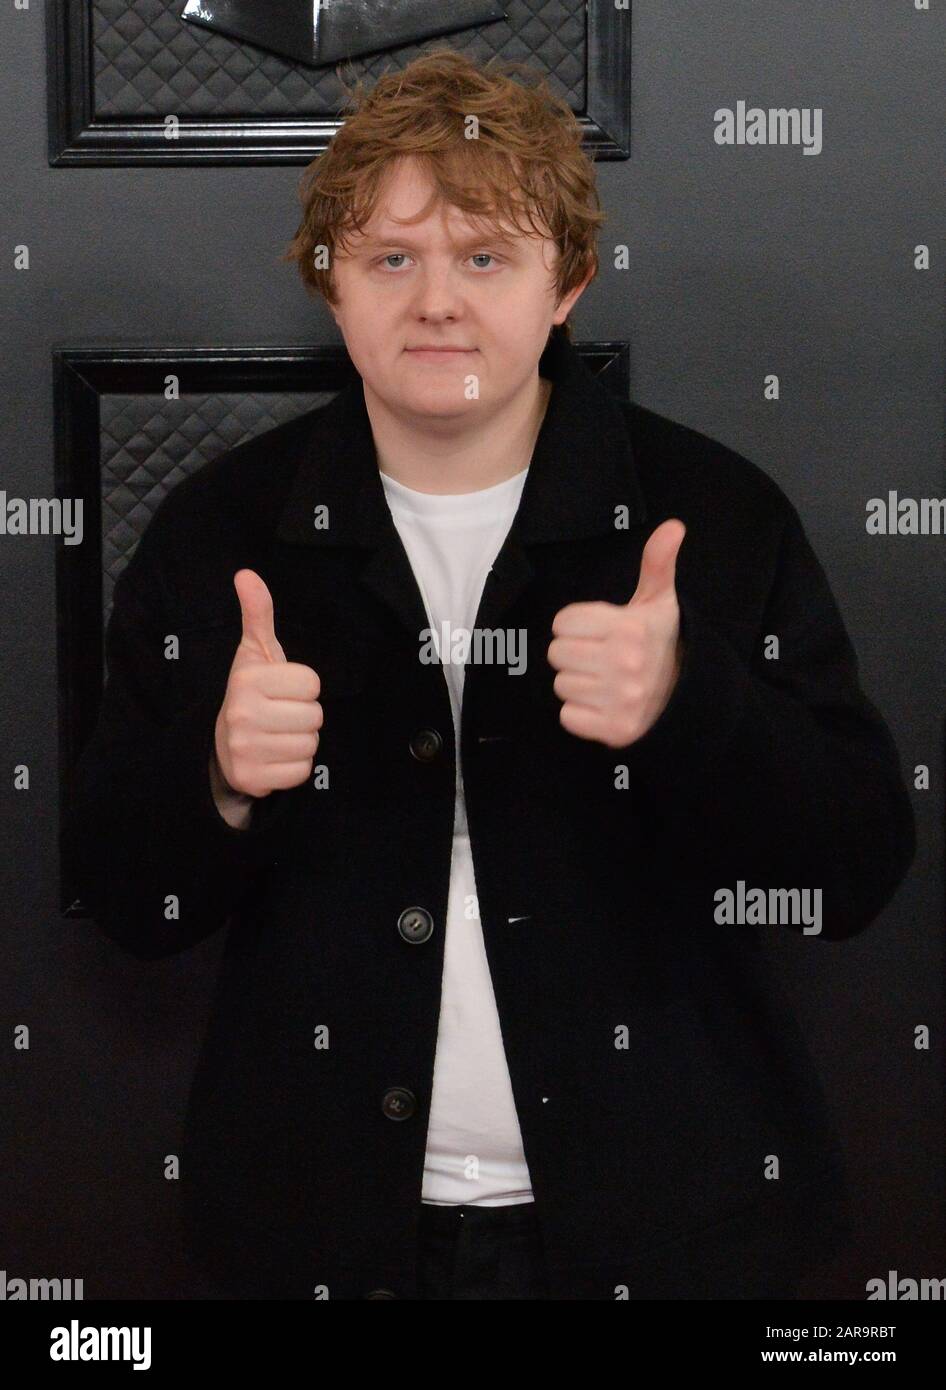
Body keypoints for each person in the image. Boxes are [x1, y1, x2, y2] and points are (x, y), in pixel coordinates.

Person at [64, 48, 915, 1300]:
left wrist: (693, 705)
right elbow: (121, 899)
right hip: (322, 1238)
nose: (436, 304)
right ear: (331, 285)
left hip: (668, 1234)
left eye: (484, 257)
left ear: (564, 282)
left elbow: (854, 873)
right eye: (390, 259)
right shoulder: (221, 532)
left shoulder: (714, 516)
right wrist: (216, 775)